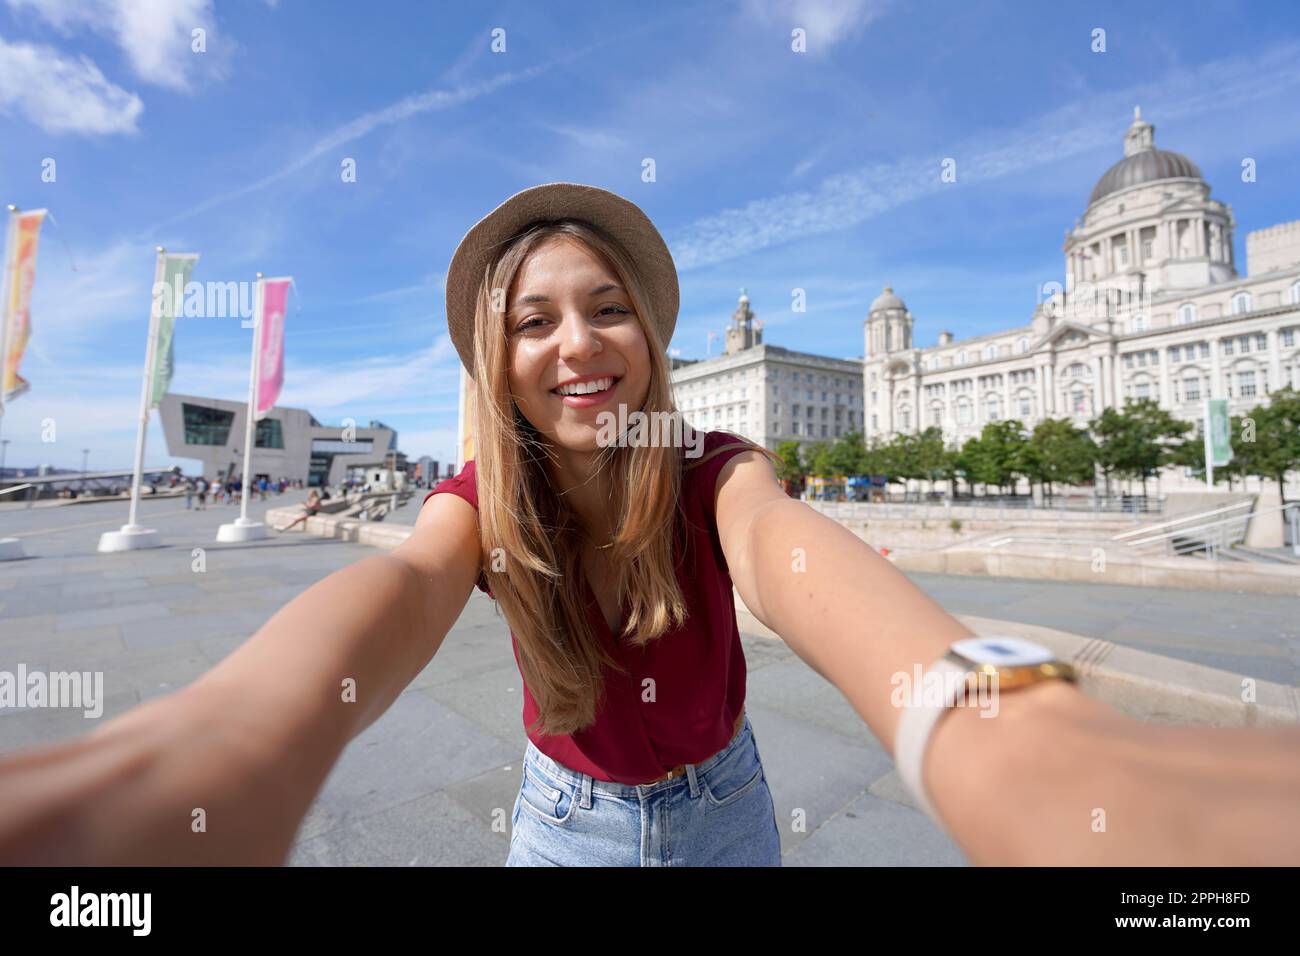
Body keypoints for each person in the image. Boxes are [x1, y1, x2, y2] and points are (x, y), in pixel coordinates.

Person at [1, 182, 1298, 868]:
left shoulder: (714, 469)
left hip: (729, 813)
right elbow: (391, 600)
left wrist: (1019, 732)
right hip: (562, 827)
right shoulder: (477, 510)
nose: (578, 344)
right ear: (493, 365)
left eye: (608, 307)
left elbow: (800, 568)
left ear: (653, 340)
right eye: (533, 319)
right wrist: (222, 739)